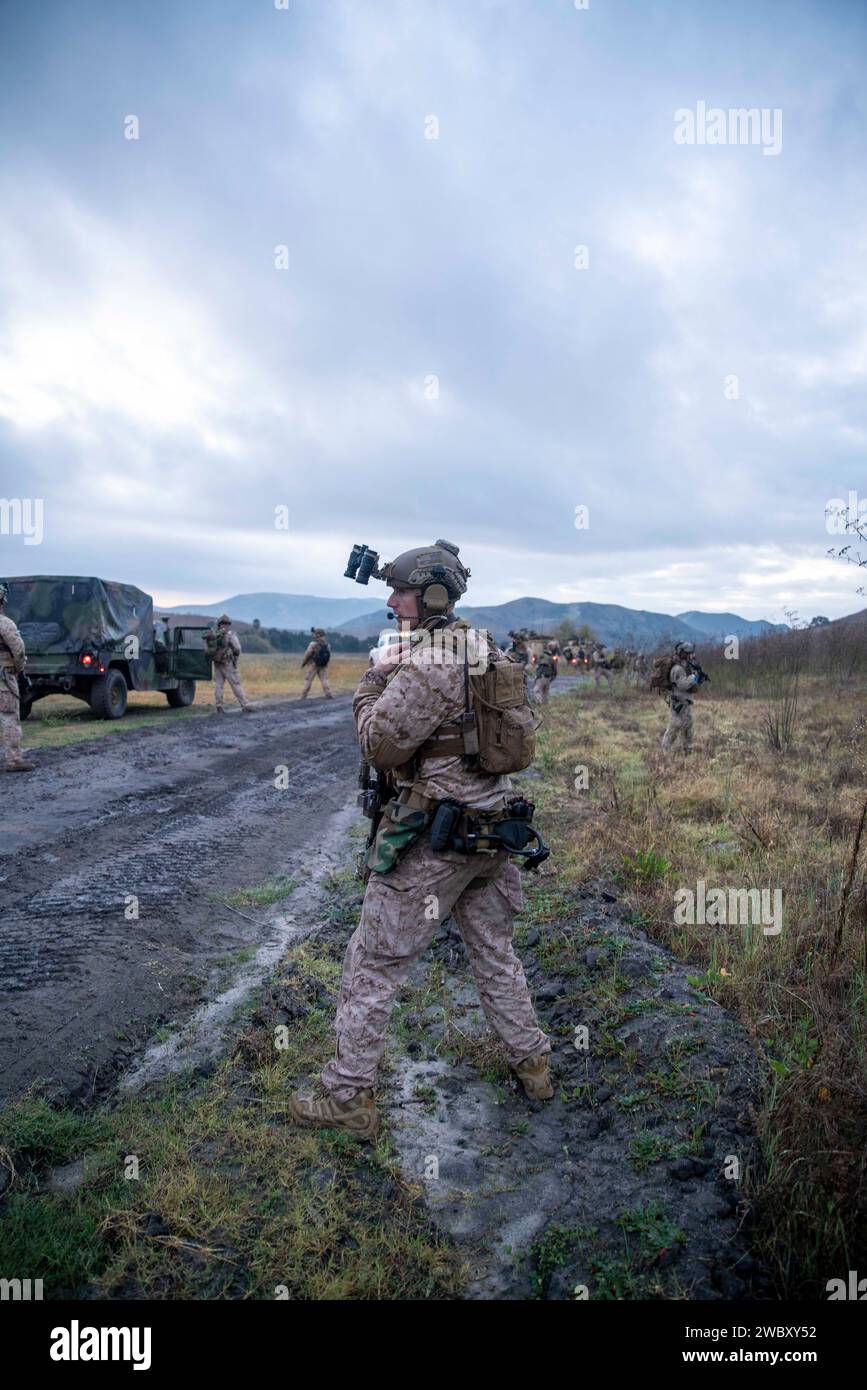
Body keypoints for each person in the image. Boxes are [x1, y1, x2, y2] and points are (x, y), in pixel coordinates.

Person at [290, 539, 553, 1140]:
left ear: (430, 596)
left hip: (435, 840)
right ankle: (532, 1064)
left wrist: (367, 689)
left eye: (400, 592)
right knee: (495, 953)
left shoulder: (430, 660)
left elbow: (381, 746)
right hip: (491, 834)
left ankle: (349, 1096)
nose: (390, 600)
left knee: (374, 964)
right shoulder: (479, 644)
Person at [0, 583, 34, 772]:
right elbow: (18, 651)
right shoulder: (4, 623)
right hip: (4, 677)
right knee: (9, 716)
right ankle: (14, 760)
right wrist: (19, 669)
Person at [208, 614, 255, 714]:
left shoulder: (214, 634)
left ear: (219, 624)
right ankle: (245, 705)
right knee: (235, 684)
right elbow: (237, 648)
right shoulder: (230, 634)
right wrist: (235, 654)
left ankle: (219, 706)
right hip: (228, 663)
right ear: (228, 624)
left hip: (217, 663)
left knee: (219, 685)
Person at [661, 640, 700, 754]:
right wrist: (693, 678)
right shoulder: (677, 668)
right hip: (679, 703)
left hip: (684, 702)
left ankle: (687, 750)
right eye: (689, 653)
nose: (692, 656)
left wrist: (697, 677)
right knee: (674, 727)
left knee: (687, 727)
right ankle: (665, 751)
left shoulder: (684, 666)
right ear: (683, 653)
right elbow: (682, 685)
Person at [300, 627, 334, 699]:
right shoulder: (327, 645)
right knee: (324, 680)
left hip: (313, 664)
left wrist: (304, 662)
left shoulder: (313, 644)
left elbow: (308, 653)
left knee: (308, 680)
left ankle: (303, 695)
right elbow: (329, 655)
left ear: (316, 635)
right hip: (323, 665)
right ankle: (328, 694)